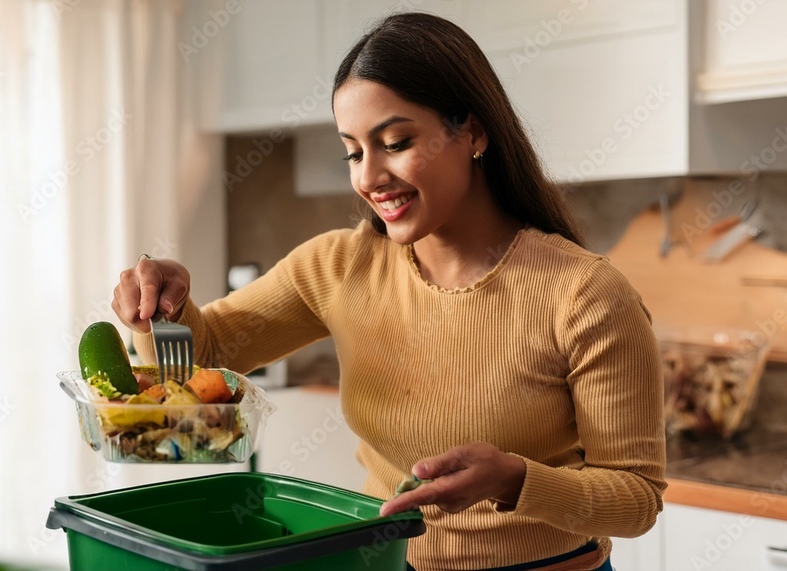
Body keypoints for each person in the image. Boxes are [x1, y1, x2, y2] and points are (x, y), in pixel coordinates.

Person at [112, 12, 665, 571]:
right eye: (353, 152)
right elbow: (200, 361)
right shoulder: (338, 266)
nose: (369, 176)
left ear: (473, 131)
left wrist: (515, 480)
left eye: (395, 142)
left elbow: (636, 500)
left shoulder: (585, 294)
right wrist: (164, 309)